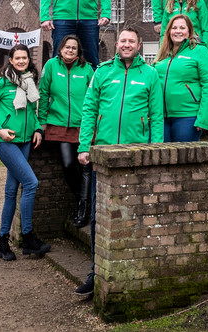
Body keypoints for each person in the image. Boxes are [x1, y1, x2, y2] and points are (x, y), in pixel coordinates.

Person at [76, 28, 164, 297]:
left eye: (131, 41)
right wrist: (84, 146)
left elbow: (156, 116)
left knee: (133, 213)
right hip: (102, 155)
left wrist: (155, 151)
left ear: (139, 45)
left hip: (134, 155)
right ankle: (96, 270)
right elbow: (89, 110)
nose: (126, 45)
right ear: (116, 44)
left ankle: (132, 268)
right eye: (122, 41)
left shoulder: (150, 74)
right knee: (97, 217)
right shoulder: (101, 72)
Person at [0, 44, 51, 261]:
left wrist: (37, 128)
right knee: (31, 183)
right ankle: (28, 237)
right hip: (6, 142)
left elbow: (31, 110)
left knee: (11, 190)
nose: (21, 61)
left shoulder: (29, 82)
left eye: (24, 58)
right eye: (17, 58)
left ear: (29, 60)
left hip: (26, 141)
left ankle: (3, 243)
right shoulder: (1, 83)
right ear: (10, 60)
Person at [38, 33, 96, 227]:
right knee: (68, 164)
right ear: (60, 48)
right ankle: (82, 197)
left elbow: (95, 98)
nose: (70, 50)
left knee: (86, 167)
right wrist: (42, 121)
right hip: (59, 123)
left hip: (83, 126)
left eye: (74, 48)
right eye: (67, 47)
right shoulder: (51, 66)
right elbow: (44, 93)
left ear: (79, 51)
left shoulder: (87, 69)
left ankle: (83, 206)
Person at [154, 13, 208, 142]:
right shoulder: (163, 53)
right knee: (161, 157)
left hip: (187, 116)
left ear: (189, 31)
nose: (178, 31)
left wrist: (204, 118)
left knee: (182, 158)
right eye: (174, 28)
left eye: (182, 28)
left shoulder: (199, 51)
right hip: (161, 117)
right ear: (169, 31)